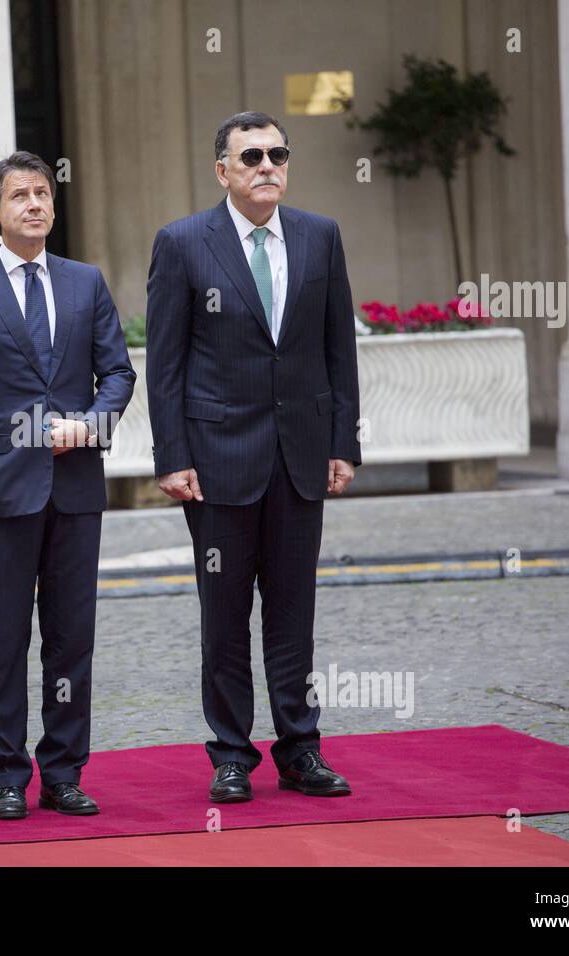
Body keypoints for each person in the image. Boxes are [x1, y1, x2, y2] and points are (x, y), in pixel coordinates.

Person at [145, 111, 362, 803]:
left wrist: (342, 441)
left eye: (277, 154)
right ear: (224, 171)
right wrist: (171, 455)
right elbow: (166, 363)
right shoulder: (182, 244)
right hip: (216, 462)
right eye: (252, 157)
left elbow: (338, 351)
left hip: (301, 457)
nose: (267, 166)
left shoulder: (319, 236)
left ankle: (300, 749)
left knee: (294, 612)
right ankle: (232, 755)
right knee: (225, 615)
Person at [0, 152, 135, 819]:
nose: (35, 205)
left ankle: (64, 772)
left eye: (43, 193)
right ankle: (8, 776)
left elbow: (119, 374)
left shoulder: (85, 283)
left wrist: (93, 424)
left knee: (72, 637)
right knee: (5, 637)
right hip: (0, 493)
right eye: (20, 195)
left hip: (74, 490)